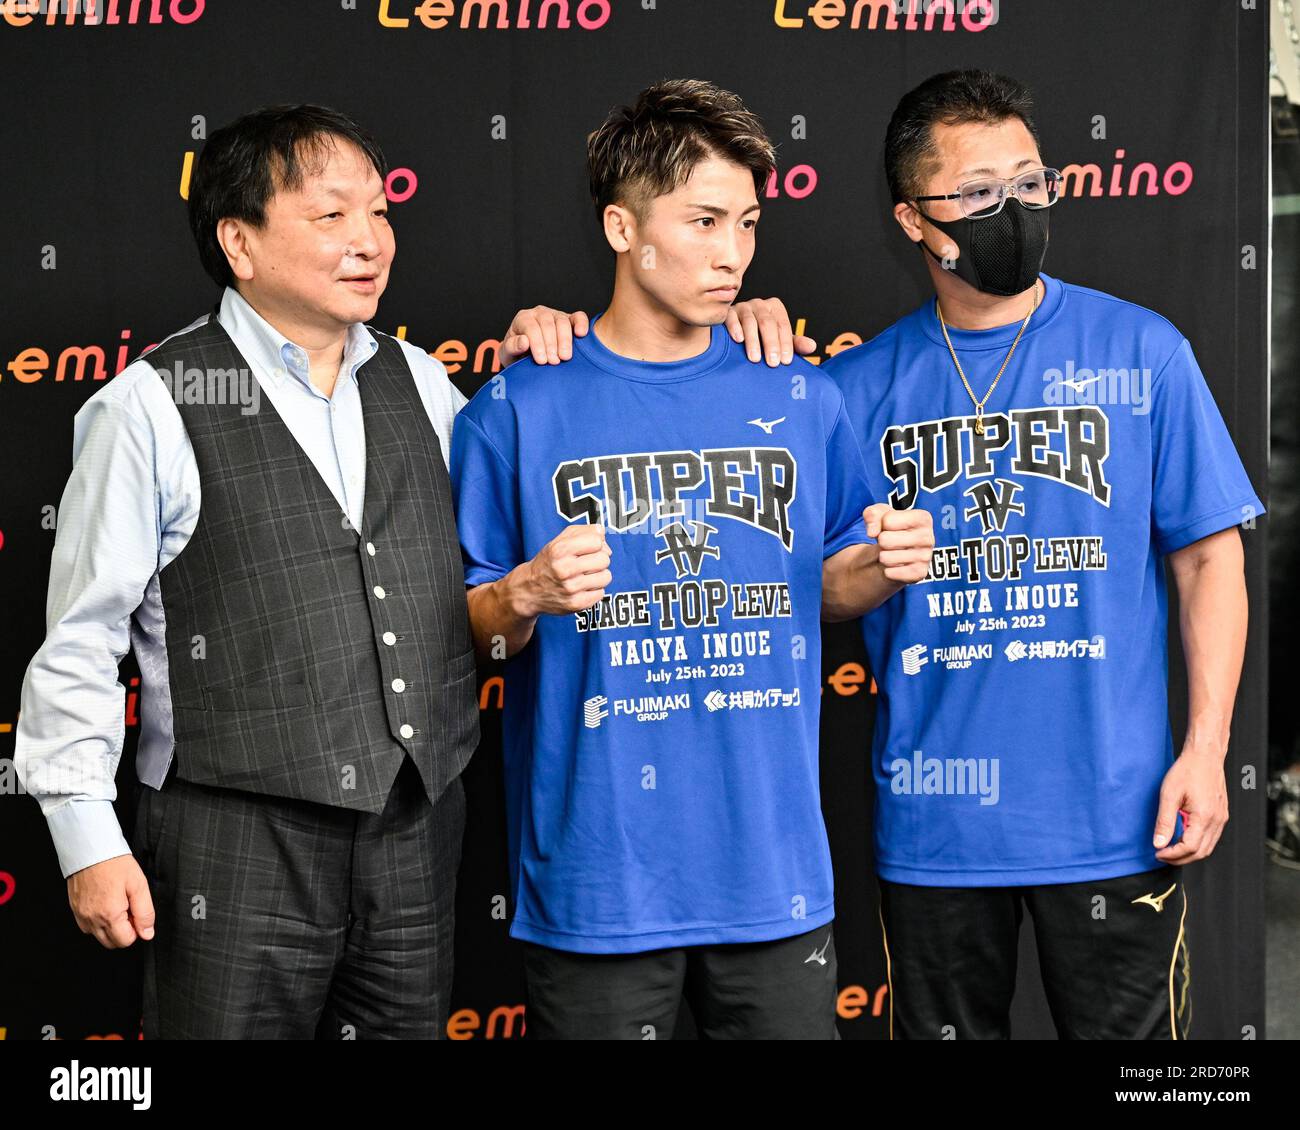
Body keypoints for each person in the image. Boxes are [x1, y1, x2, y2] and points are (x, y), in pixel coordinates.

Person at [500, 70, 1265, 1040]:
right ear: (912, 219)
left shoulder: (1141, 350)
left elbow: (1208, 559)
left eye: (1031, 185)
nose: (1014, 211)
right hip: (931, 823)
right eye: (978, 194)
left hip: (1118, 813)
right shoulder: (843, 387)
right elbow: (803, 579)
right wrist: (549, 330)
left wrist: (1205, 749)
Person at [451, 78, 933, 1040]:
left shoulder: (798, 392)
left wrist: (883, 563)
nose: (735, 253)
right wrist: (525, 592)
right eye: (704, 220)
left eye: (748, 223)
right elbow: (465, 632)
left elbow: (829, 589)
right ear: (623, 230)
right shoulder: (518, 406)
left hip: (772, 870)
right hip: (599, 878)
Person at [13, 104, 479, 1039]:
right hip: (232, 843)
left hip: (414, 831)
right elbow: (80, 640)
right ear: (239, 241)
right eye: (331, 216)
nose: (371, 241)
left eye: (380, 213)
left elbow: (512, 536)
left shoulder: (427, 386)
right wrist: (84, 841)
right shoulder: (150, 403)